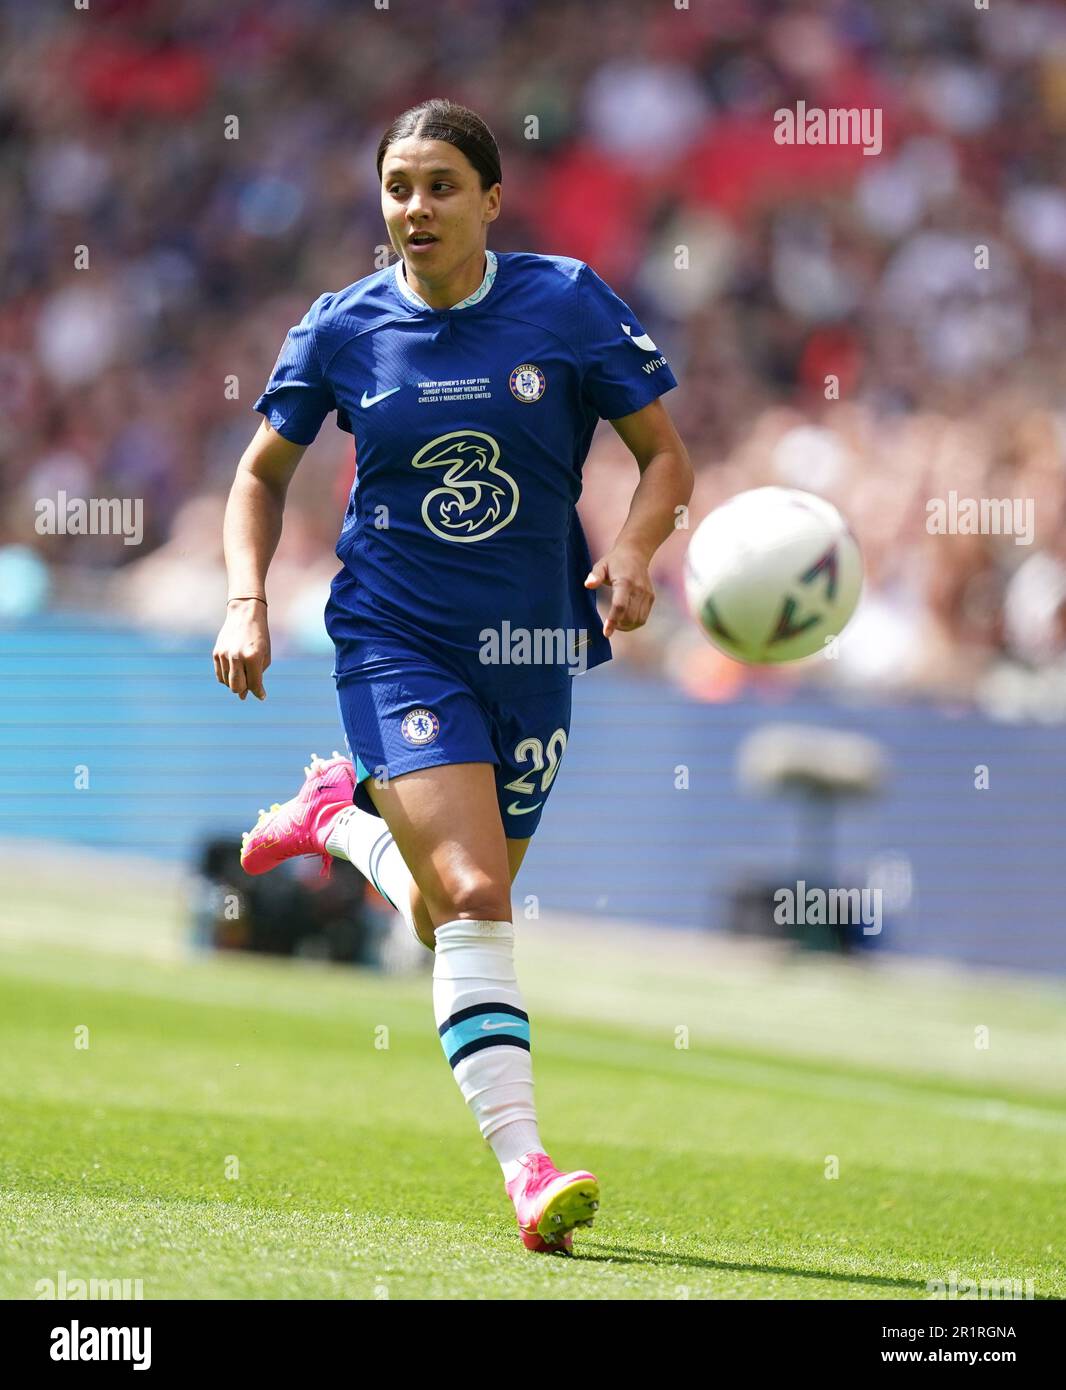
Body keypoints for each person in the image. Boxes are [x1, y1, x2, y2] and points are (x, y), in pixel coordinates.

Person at [212, 98, 693, 1254]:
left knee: (440, 911)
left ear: (490, 198)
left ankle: (337, 815)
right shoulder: (342, 328)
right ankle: (527, 1168)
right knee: (479, 895)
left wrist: (630, 552)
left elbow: (666, 457)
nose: (414, 208)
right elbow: (258, 476)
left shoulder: (567, 303)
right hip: (396, 640)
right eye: (396, 188)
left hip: (533, 652)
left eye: (438, 185)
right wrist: (246, 597)